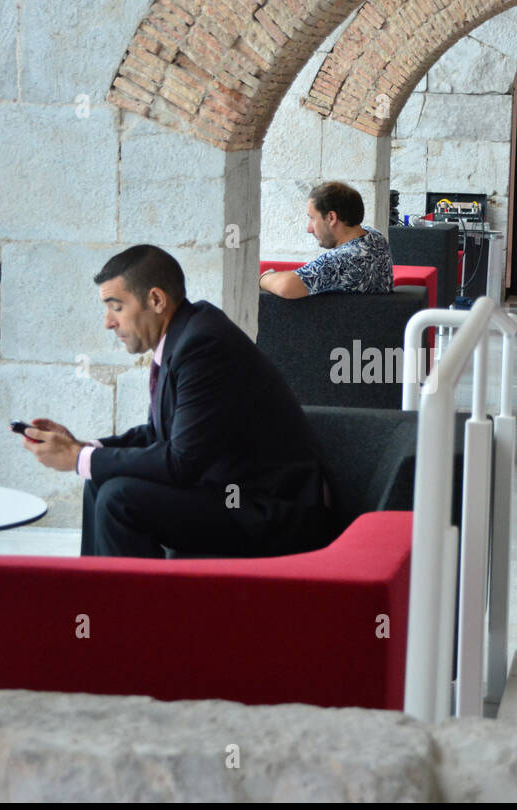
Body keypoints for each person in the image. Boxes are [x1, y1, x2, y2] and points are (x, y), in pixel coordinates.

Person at [25, 244, 336, 559]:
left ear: (156, 300)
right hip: (227, 487)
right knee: (98, 480)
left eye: (116, 307)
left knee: (119, 500)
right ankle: (99, 591)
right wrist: (84, 448)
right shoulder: (184, 334)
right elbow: (157, 434)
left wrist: (79, 458)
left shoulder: (203, 345)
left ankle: (133, 595)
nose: (108, 322)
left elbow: (181, 463)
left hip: (267, 507)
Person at [259, 180, 393, 298]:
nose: (309, 229)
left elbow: (286, 286)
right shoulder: (375, 237)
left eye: (312, 218)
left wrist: (263, 277)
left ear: (331, 218)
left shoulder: (343, 261)